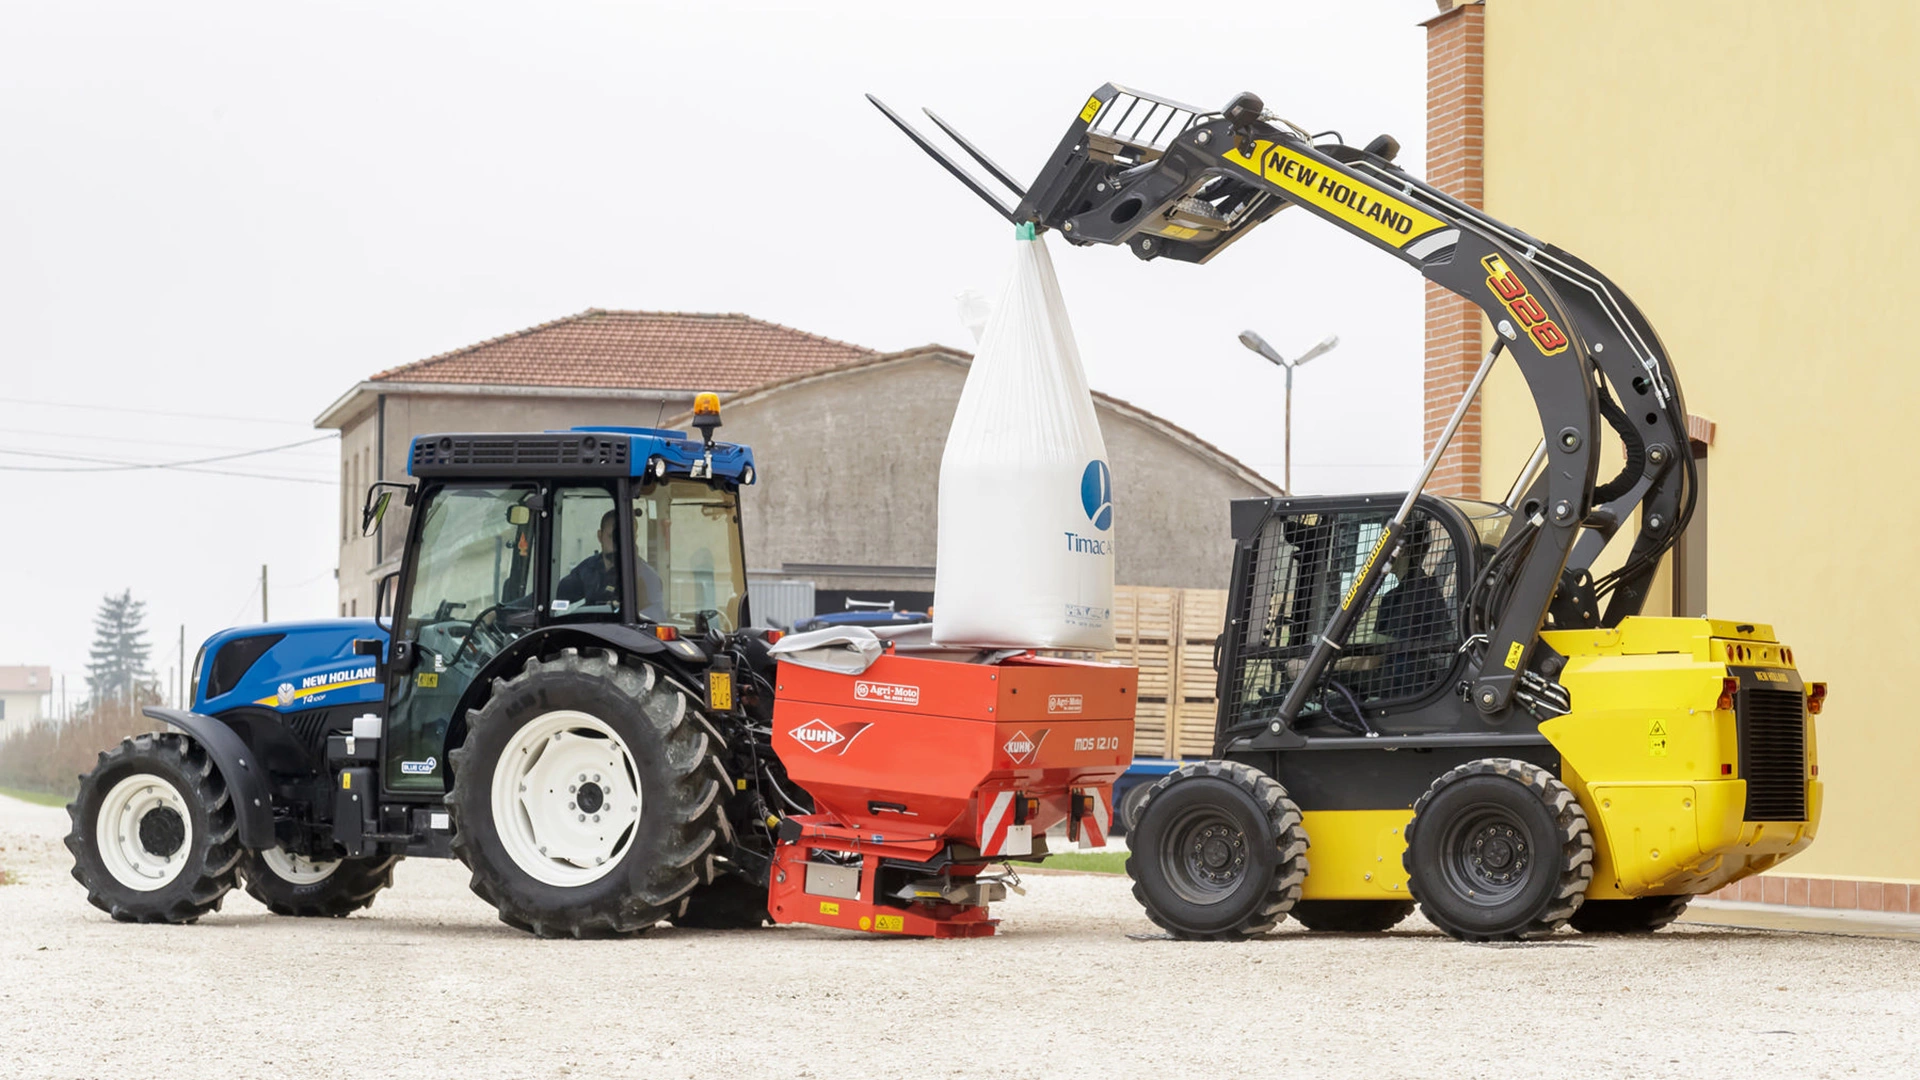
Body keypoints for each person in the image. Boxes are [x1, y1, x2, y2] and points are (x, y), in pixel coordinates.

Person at [556, 509, 667, 619]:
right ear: (600, 536)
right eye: (612, 537)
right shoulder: (586, 570)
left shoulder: (646, 576)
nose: (618, 544)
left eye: (626, 537)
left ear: (635, 538)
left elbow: (656, 617)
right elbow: (560, 602)